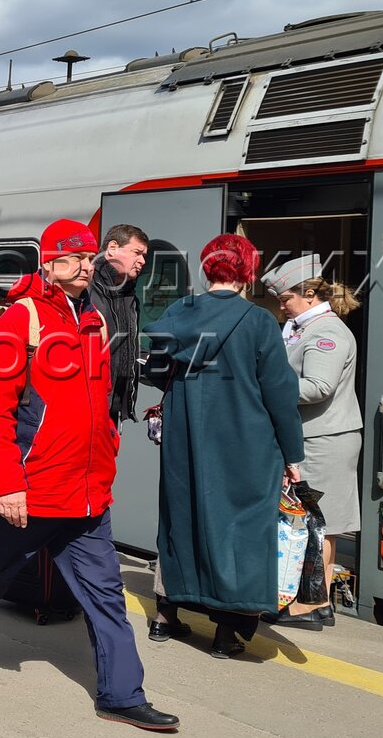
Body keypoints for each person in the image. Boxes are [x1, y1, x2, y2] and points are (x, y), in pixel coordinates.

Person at [0, 219, 177, 731]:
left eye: (90, 258)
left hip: (85, 493)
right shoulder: (19, 322)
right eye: (75, 259)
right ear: (48, 263)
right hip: (31, 487)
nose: (87, 266)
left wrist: (106, 456)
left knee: (107, 595)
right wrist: (7, 484)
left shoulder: (93, 320)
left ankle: (121, 693)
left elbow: (98, 406)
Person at [142, 234, 304, 657]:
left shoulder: (179, 311)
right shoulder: (258, 321)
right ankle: (226, 632)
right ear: (248, 273)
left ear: (207, 268)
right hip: (245, 444)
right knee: (242, 531)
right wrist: (293, 455)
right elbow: (280, 395)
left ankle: (166, 616)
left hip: (186, 438)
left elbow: (155, 369)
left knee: (181, 520)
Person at [264, 255, 363, 628]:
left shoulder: (326, 333)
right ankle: (314, 600)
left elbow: (319, 387)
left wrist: (267, 389)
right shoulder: (304, 328)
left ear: (308, 294)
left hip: (324, 440)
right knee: (312, 521)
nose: (281, 305)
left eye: (286, 298)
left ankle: (313, 605)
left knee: (319, 522)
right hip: (316, 437)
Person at [86, 224, 149, 425]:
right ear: (112, 248)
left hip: (112, 411)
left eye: (144, 255)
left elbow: (124, 349)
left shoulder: (129, 296)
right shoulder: (86, 289)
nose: (142, 261)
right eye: (137, 253)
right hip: (87, 407)